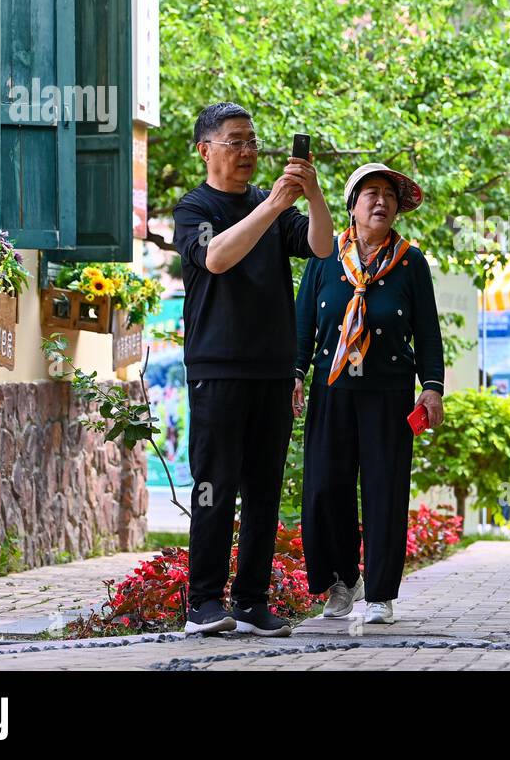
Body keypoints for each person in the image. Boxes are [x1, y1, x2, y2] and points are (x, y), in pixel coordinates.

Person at [172, 102, 333, 636]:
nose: (247, 152)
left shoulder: (273, 203)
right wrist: (273, 207)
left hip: (271, 367)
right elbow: (216, 258)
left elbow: (322, 246)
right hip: (217, 367)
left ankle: (251, 601)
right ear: (206, 149)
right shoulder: (193, 207)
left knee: (263, 490)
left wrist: (308, 192)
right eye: (235, 141)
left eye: (252, 141)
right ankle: (202, 604)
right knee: (214, 485)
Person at [295, 163, 445, 625]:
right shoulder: (324, 256)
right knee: (325, 489)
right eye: (370, 193)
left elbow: (428, 331)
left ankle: (380, 593)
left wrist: (432, 388)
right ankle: (341, 582)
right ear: (352, 205)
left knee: (384, 489)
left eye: (389, 196)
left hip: (388, 391)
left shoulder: (411, 261)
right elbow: (303, 321)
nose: (380, 202)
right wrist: (295, 373)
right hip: (332, 388)